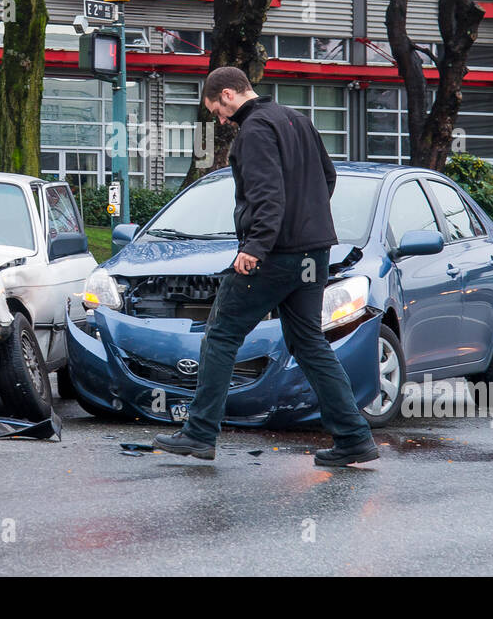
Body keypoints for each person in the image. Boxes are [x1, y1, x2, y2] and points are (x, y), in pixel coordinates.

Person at [153, 66, 379, 467]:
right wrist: (304, 220)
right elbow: (327, 177)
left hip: (274, 255)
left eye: (217, 112)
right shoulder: (299, 120)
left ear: (226, 94)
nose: (221, 121)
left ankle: (200, 433)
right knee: (309, 342)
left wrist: (256, 246)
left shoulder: (254, 131)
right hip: (315, 253)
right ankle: (354, 437)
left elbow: (267, 195)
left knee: (221, 335)